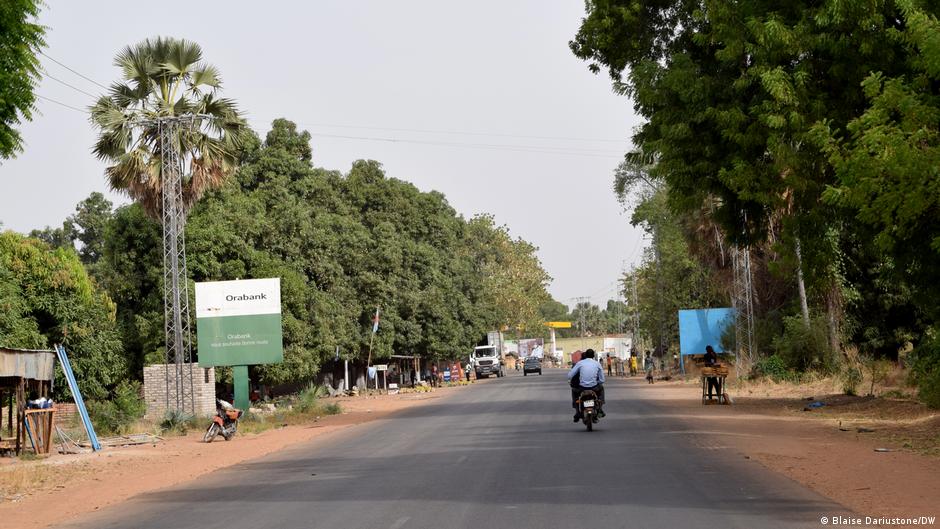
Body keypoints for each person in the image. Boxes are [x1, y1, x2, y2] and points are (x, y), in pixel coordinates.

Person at [567, 348, 606, 422]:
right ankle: (600, 408)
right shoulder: (597, 363)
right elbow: (602, 379)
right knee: (601, 389)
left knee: (574, 392)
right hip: (594, 387)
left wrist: (571, 380)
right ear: (593, 356)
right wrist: (599, 383)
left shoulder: (580, 363)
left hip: (582, 388)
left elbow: (570, 375)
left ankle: (577, 412)